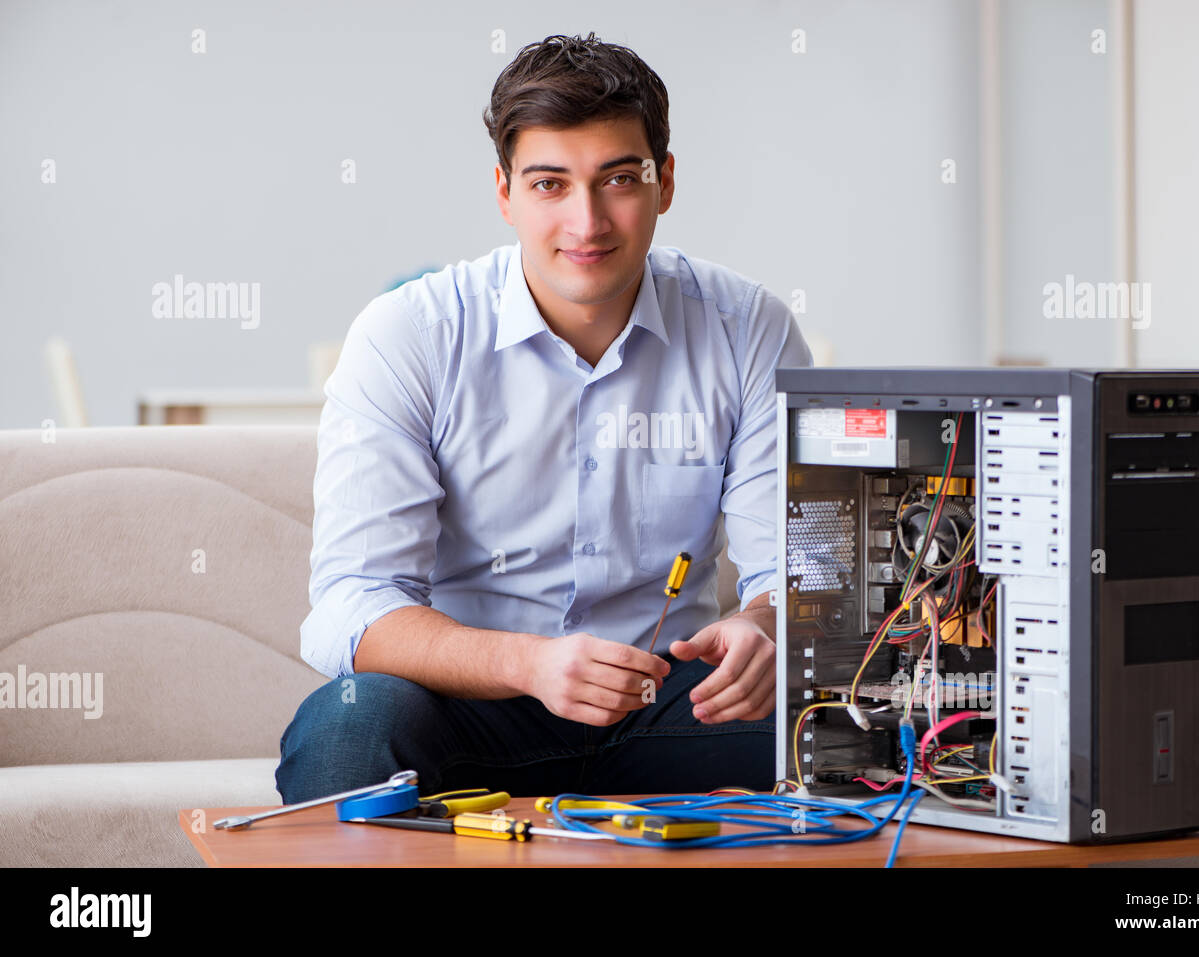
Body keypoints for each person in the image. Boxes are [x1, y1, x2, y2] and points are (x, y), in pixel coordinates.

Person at [275, 32, 813, 803]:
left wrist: (764, 626)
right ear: (505, 193)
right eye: (550, 184)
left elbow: (795, 583)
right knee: (351, 721)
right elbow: (351, 607)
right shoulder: (410, 336)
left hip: (667, 701)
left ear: (664, 182)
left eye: (618, 179)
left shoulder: (746, 327)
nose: (587, 223)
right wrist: (528, 663)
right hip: (472, 708)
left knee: (841, 721)